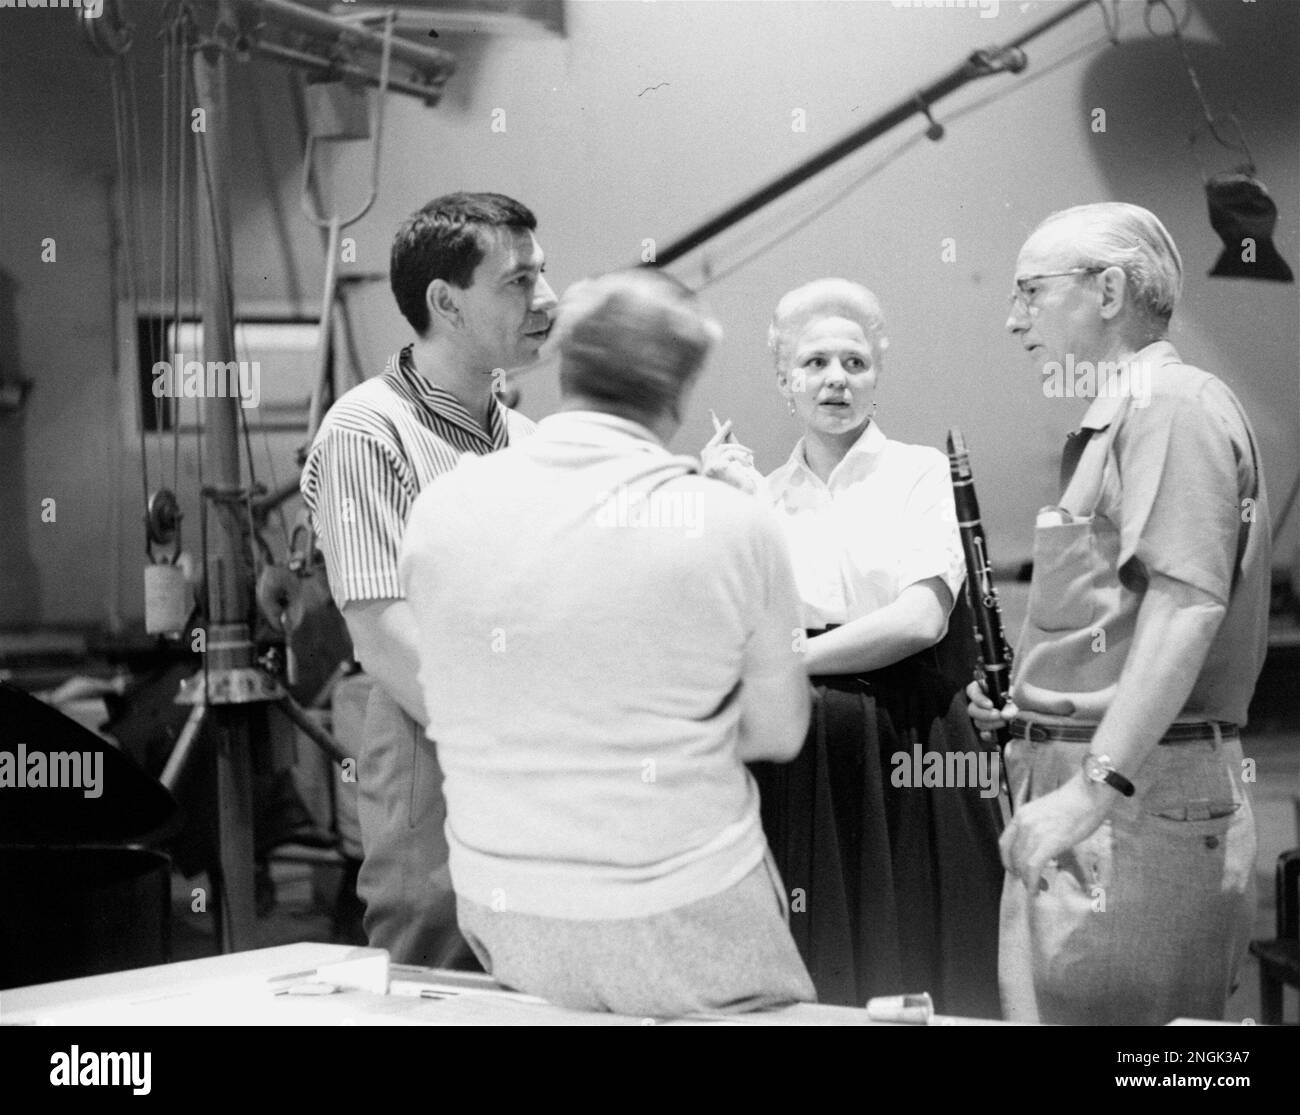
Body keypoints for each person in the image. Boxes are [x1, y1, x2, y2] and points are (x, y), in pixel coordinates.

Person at [398, 269, 816, 1016]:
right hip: (680, 905)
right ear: (682, 391)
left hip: (503, 906)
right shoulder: (732, 523)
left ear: (565, 363)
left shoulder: (441, 507)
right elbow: (778, 733)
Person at [968, 202, 1270, 1025]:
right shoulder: (1129, 414)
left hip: (1129, 803)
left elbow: (1185, 609)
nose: (1013, 319)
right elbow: (1122, 616)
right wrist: (1032, 695)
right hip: (1115, 797)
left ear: (1107, 291)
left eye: (1031, 291)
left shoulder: (1169, 406)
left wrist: (1090, 789)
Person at [704, 279, 1004, 1015]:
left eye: (854, 362)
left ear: (876, 377)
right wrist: (725, 509)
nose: (835, 377)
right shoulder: (760, 494)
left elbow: (919, 621)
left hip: (914, 744)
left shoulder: (920, 472)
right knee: (818, 966)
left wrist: (794, 657)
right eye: (813, 364)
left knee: (929, 951)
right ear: (783, 382)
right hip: (804, 760)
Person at [299, 192, 557, 967]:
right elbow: (386, 639)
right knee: (441, 978)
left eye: (543, 274)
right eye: (518, 281)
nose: (548, 299)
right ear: (445, 302)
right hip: (436, 754)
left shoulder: (531, 439)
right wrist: (523, 740)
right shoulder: (366, 431)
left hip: (532, 751)